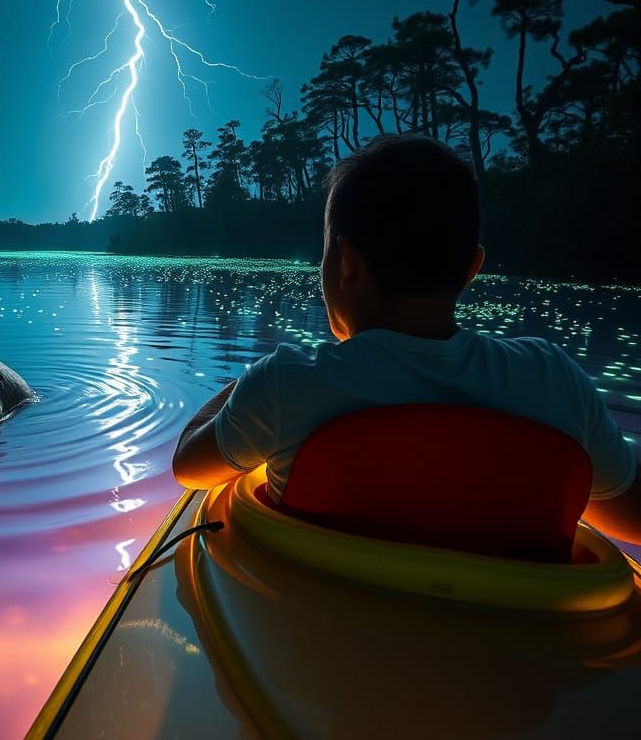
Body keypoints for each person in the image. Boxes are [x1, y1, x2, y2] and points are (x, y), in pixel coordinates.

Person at [172, 134, 641, 545]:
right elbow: (629, 516)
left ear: (344, 262)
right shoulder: (556, 382)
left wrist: (246, 385)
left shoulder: (284, 386)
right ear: (472, 269)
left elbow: (188, 467)